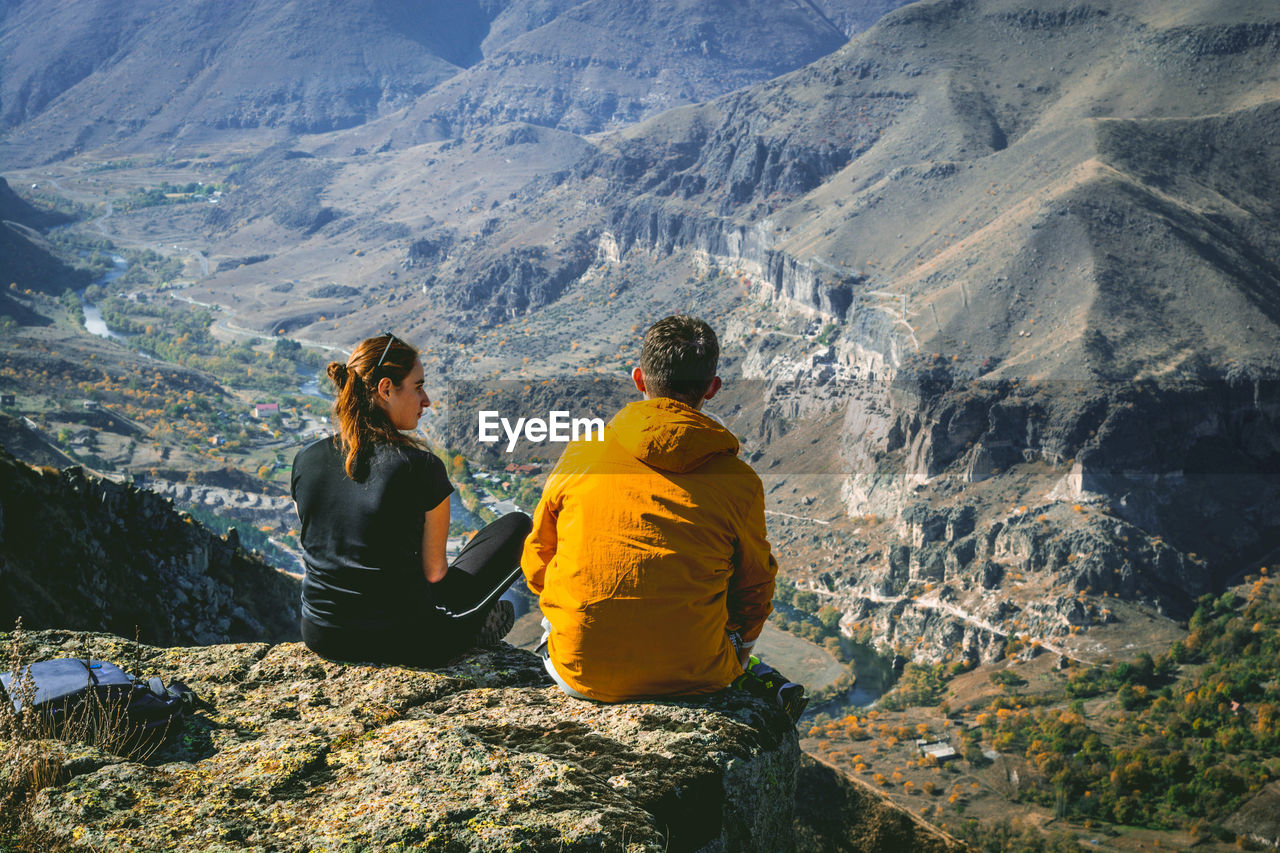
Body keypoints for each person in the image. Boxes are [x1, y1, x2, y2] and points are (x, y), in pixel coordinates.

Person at [521, 315, 779, 702]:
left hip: (579, 673)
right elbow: (755, 588)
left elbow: (539, 559)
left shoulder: (583, 454)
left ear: (639, 379)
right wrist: (737, 657)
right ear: (712, 388)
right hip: (695, 677)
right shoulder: (738, 481)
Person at [291, 331, 531, 666]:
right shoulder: (419, 468)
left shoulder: (306, 458)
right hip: (402, 640)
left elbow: (325, 544)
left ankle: (468, 625)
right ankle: (470, 627)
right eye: (418, 387)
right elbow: (435, 574)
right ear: (386, 389)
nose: (427, 400)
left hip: (321, 634)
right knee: (521, 525)